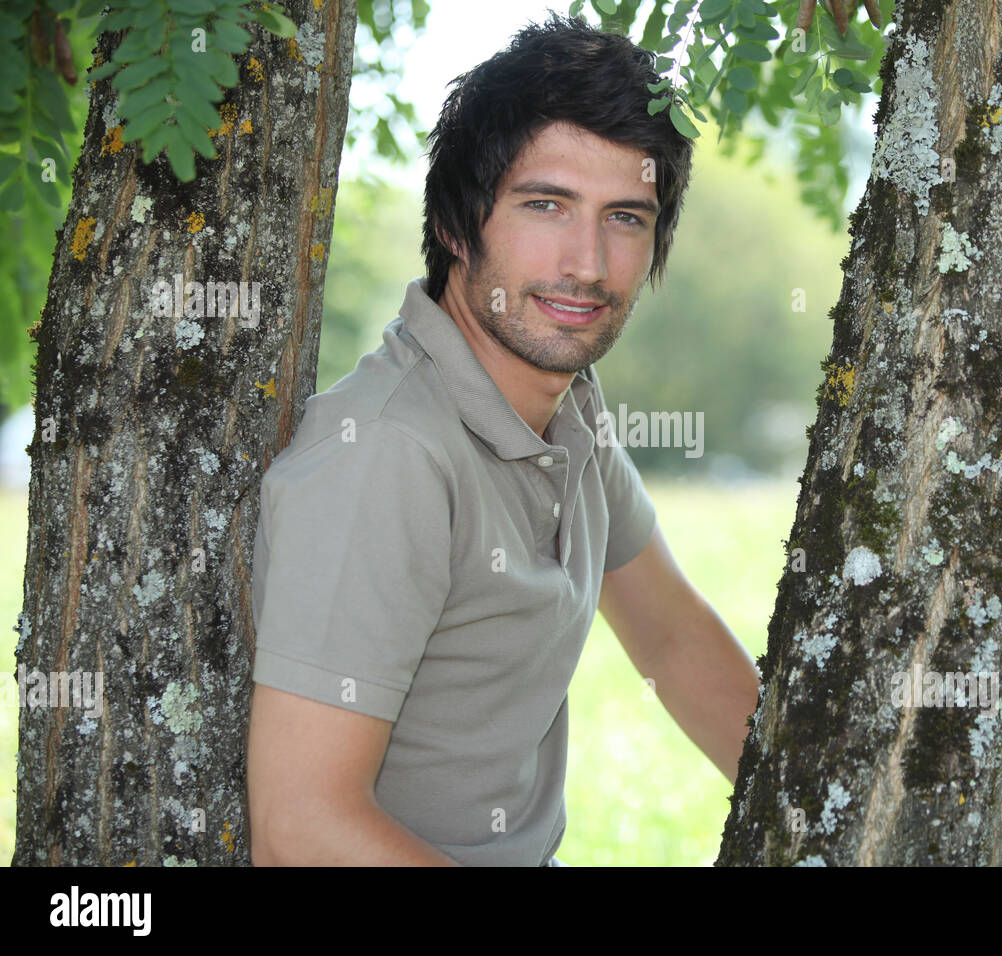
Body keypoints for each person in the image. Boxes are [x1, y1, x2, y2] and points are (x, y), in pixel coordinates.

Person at [245, 12, 760, 867]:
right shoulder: (387, 456)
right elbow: (301, 832)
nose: (588, 263)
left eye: (625, 217)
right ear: (456, 223)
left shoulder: (570, 415)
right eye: (546, 205)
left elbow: (670, 639)